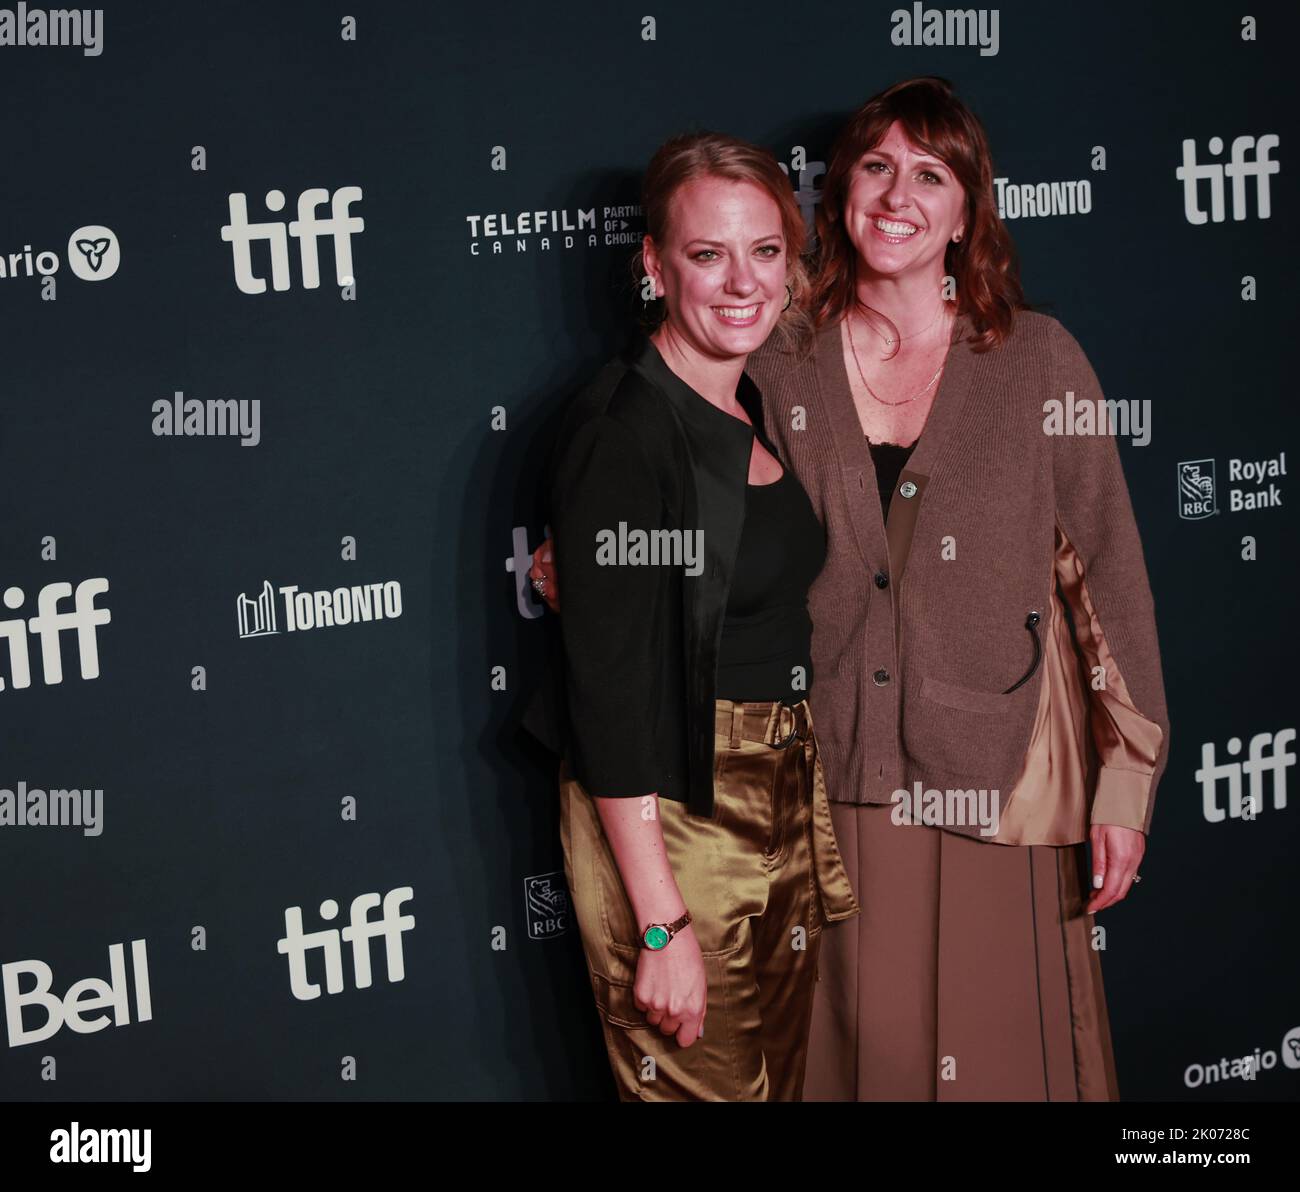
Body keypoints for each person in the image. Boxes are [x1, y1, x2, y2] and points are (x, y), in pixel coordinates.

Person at [533, 77, 1171, 1102]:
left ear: (969, 209)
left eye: (931, 173)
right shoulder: (776, 352)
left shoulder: (1039, 362)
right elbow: (669, 482)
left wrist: (1128, 781)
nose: (897, 195)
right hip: (814, 798)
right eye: (875, 165)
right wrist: (587, 561)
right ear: (837, 191)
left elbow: (1107, 575)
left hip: (992, 791)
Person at [537, 130, 858, 1102]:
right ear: (653, 263)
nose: (741, 283)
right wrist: (661, 924)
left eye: (764, 250)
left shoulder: (746, 396)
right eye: (705, 254)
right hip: (675, 814)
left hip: (777, 789)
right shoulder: (621, 433)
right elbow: (610, 699)